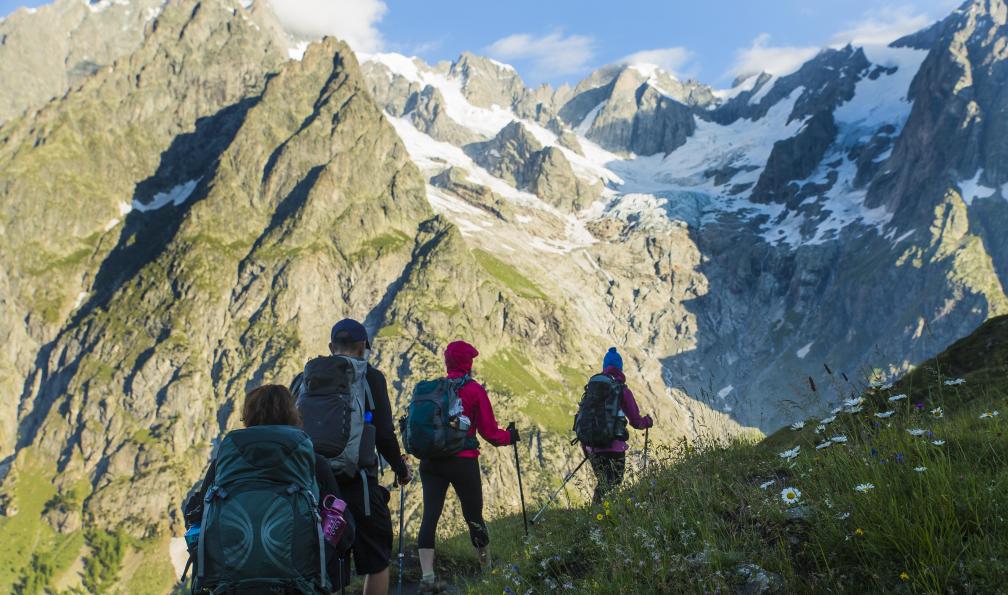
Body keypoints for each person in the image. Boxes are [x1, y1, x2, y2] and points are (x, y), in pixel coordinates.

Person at [184, 385, 354, 594]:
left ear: (247, 418)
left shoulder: (222, 463)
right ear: (293, 415)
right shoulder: (314, 462)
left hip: (230, 586)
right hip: (299, 585)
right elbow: (345, 530)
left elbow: (198, 521)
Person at [291, 318, 413, 595]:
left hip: (313, 487)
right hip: (360, 486)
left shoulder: (304, 379)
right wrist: (400, 469)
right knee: (378, 559)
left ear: (331, 346)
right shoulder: (371, 377)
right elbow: (383, 434)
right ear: (363, 347)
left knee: (326, 562)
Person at [416, 340, 518, 594]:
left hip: (431, 462)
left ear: (447, 362)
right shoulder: (474, 390)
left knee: (430, 516)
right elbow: (491, 433)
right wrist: (510, 436)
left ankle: (427, 576)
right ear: (468, 364)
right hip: (462, 461)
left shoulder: (434, 389)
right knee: (473, 516)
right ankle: (486, 570)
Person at [585, 347, 653, 505]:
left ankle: (597, 515)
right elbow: (636, 422)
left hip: (591, 446)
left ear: (604, 367)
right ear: (620, 368)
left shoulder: (593, 388)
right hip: (613, 447)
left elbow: (585, 416)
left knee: (603, 484)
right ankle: (602, 518)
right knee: (613, 482)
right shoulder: (621, 390)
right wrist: (647, 422)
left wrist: (586, 447)